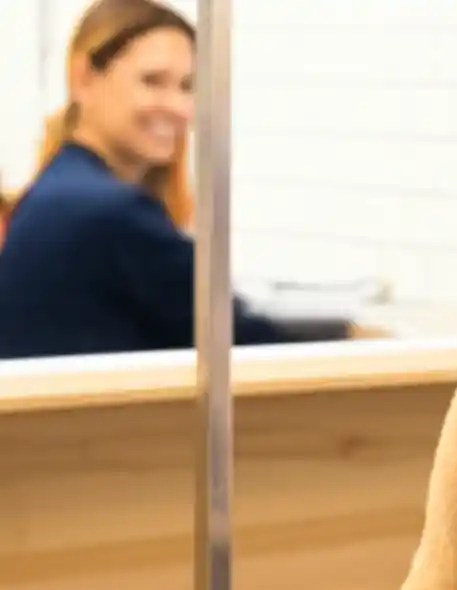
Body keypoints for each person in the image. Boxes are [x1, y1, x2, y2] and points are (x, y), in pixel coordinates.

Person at [0, 0, 350, 360]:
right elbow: (247, 347)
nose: (180, 107)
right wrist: (356, 337)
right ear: (83, 79)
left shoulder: (59, 187)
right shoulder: (109, 213)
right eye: (152, 81)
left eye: (187, 86)